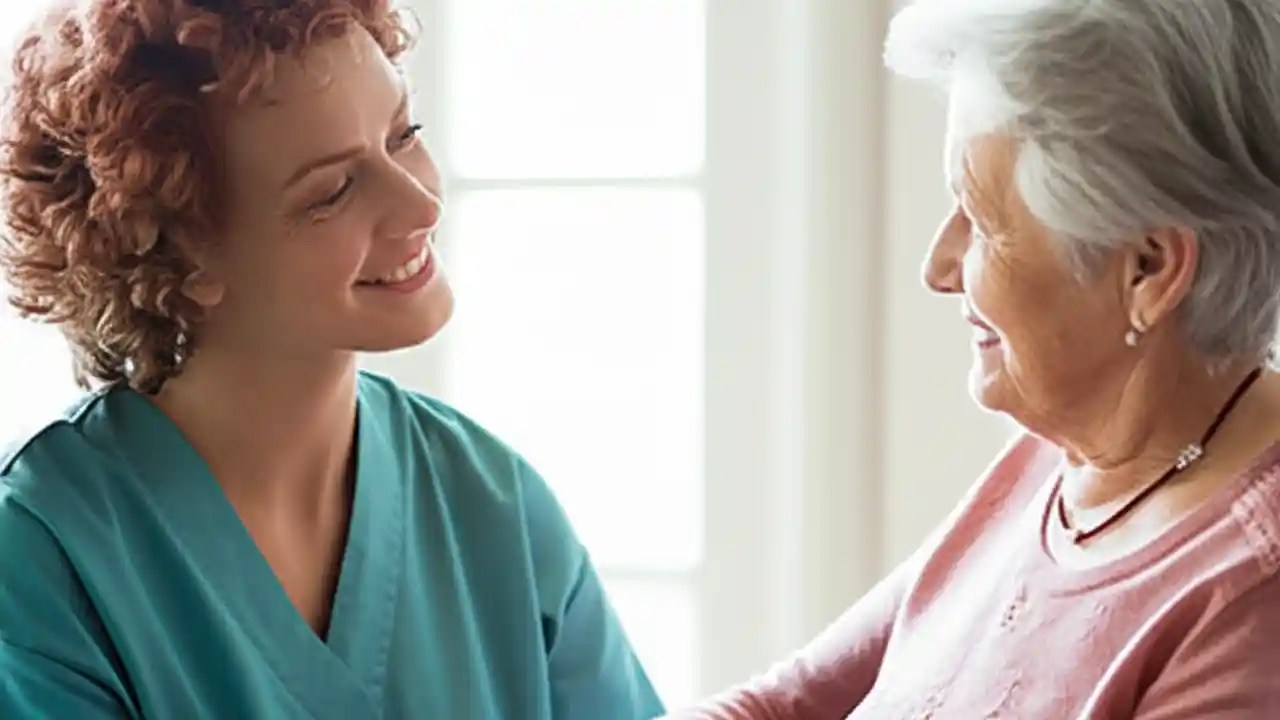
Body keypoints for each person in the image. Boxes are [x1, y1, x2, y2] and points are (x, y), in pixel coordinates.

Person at [0, 1, 663, 718]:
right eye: (332, 191)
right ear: (178, 250)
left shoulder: (492, 501)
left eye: (404, 134)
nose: (419, 206)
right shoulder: (42, 557)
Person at [676, 0, 1280, 717]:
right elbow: (786, 705)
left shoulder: (1248, 596)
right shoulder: (1062, 461)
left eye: (983, 223)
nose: (938, 265)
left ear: (1149, 269)